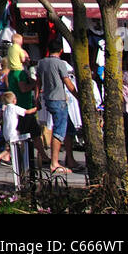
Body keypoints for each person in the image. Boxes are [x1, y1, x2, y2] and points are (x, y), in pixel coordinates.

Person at [37, 37, 78, 174]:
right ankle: (54, 163)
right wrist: (79, 97)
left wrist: (36, 98)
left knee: (69, 129)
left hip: (48, 98)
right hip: (59, 100)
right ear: (61, 51)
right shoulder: (61, 64)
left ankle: (70, 159)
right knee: (59, 131)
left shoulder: (41, 63)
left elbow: (38, 83)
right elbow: (68, 82)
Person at [0, 91, 36, 168]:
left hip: (6, 131)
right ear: (13, 100)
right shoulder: (13, 107)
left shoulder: (5, 108)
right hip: (12, 132)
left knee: (10, 146)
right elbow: (27, 112)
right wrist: (36, 108)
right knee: (14, 146)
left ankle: (6, 158)